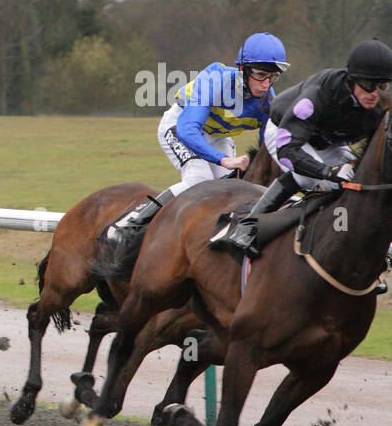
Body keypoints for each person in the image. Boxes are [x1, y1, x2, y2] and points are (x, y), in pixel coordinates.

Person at [210, 38, 392, 258]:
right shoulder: (319, 94)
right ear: (351, 80)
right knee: (309, 179)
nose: (374, 93)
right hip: (285, 133)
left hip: (326, 141)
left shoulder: (378, 106)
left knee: (354, 184)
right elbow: (289, 152)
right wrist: (328, 171)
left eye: (381, 86)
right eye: (368, 85)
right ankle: (248, 226)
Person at [105, 32, 288, 244]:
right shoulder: (214, 79)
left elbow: (271, 148)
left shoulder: (268, 101)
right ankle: (133, 224)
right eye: (260, 75)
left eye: (272, 77)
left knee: (230, 189)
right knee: (198, 181)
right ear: (242, 69)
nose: (266, 84)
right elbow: (188, 129)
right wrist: (224, 160)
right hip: (180, 126)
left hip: (216, 137)